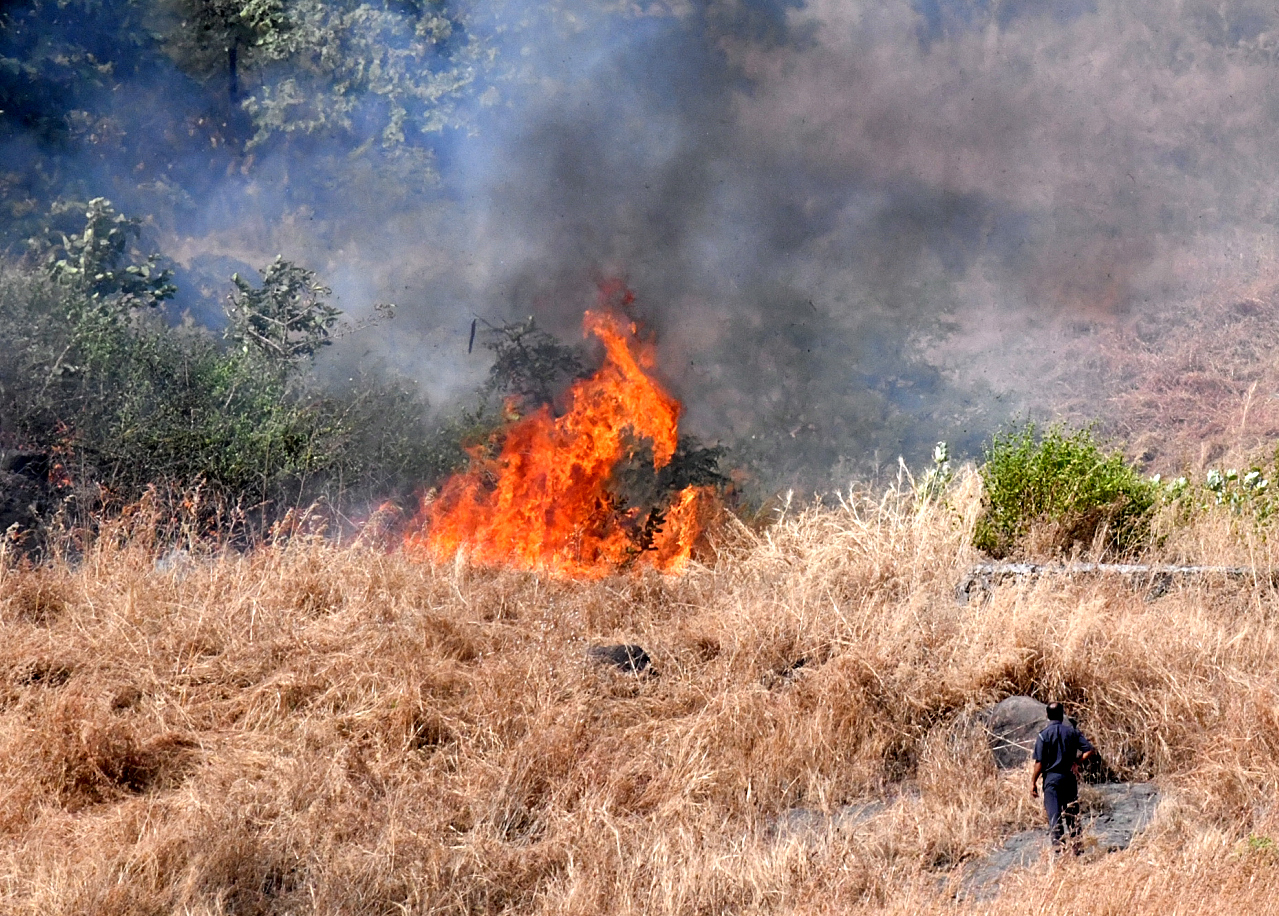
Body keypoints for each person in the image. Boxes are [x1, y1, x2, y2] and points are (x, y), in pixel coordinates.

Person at [1030, 702, 1097, 851]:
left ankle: (1060, 852)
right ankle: (1077, 850)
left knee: (1055, 818)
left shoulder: (1043, 735)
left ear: (1047, 716)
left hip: (1052, 780)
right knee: (1073, 817)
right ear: (1062, 715)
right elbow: (1090, 750)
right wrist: (1076, 762)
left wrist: (1033, 782)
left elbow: (1039, 762)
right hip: (1069, 778)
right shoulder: (1072, 732)